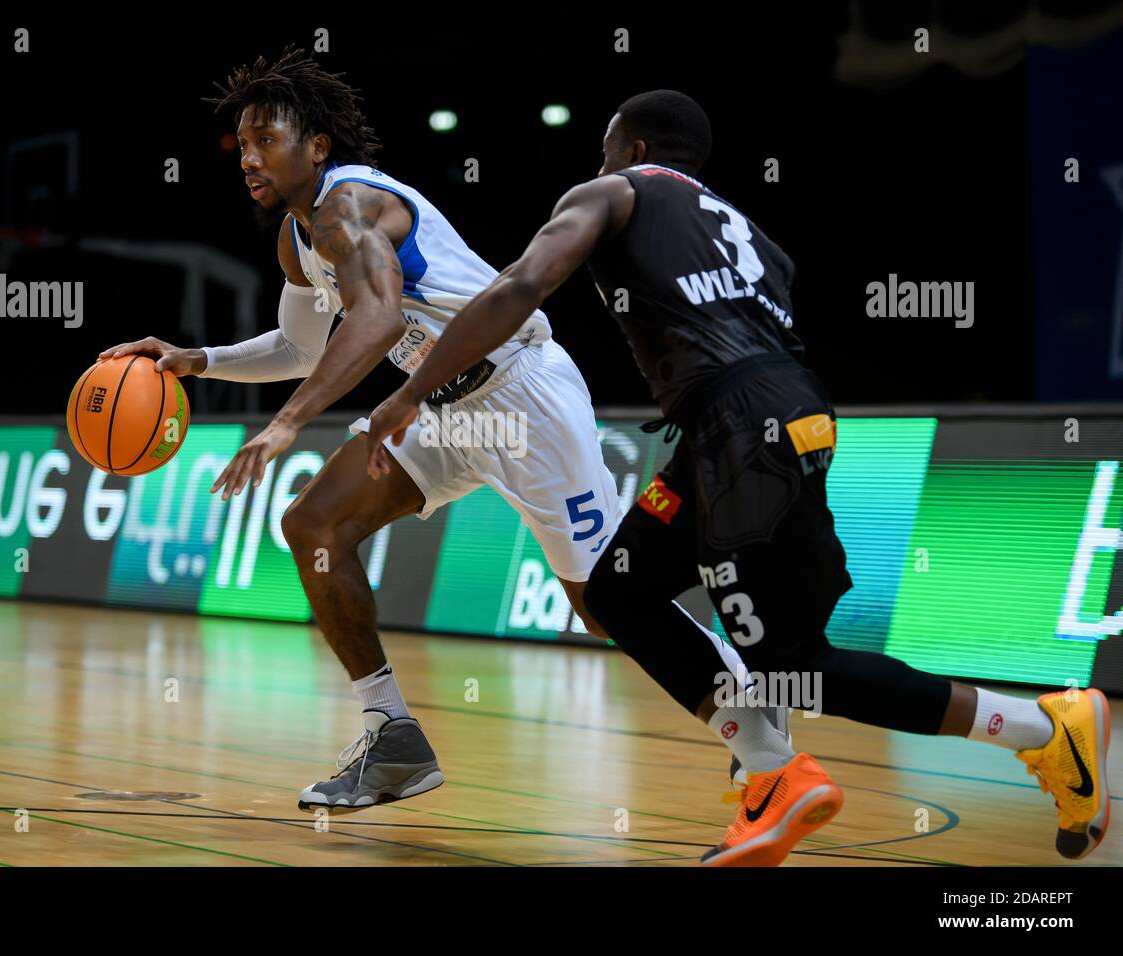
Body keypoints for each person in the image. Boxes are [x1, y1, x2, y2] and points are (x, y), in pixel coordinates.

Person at [366, 89, 1111, 865]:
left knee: (793, 669)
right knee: (619, 591)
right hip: (772, 413)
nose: (597, 163)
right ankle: (770, 772)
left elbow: (521, 288)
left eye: (604, 147)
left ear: (632, 150)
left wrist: (410, 392)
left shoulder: (609, 192)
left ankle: (1043, 729)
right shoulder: (747, 232)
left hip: (740, 425)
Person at [99, 55, 785, 819]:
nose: (249, 155)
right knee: (314, 524)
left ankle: (757, 721)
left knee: (604, 603)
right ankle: (391, 737)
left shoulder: (348, 206)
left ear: (318, 146)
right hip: (437, 410)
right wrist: (196, 361)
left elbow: (378, 318)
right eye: (241, 141)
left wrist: (289, 423)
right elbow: (298, 348)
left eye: (265, 137)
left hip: (521, 396)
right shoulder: (299, 239)